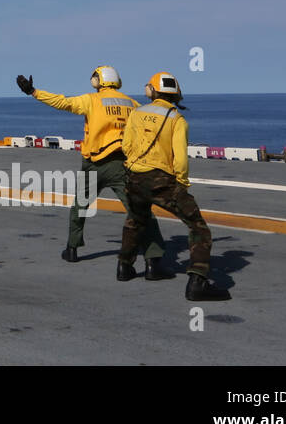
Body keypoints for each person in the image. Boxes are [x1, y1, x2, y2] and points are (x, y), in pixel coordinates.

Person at [16, 66, 171, 276]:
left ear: (98, 81)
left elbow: (62, 102)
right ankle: (153, 262)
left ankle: (72, 249)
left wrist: (34, 92)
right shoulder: (132, 103)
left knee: (80, 206)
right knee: (140, 211)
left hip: (94, 164)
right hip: (123, 165)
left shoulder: (91, 100)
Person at [118, 73, 229, 300]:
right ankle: (197, 281)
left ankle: (124, 267)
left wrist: (136, 166)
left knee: (135, 221)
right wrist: (182, 184)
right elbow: (180, 160)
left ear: (151, 91)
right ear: (176, 93)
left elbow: (126, 146)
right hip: (162, 181)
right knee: (198, 227)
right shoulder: (177, 119)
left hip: (134, 178)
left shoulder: (137, 112)